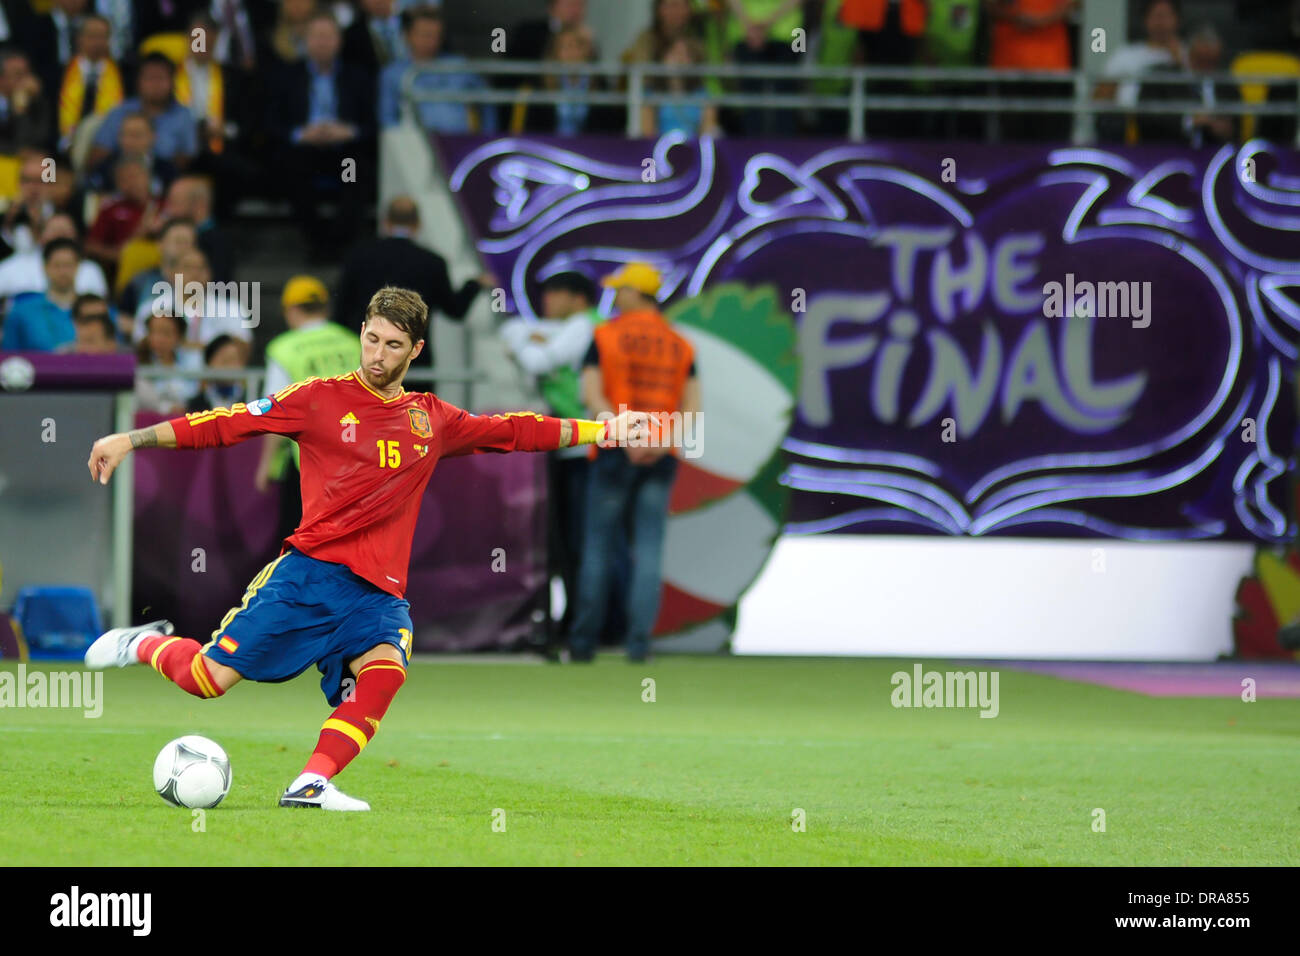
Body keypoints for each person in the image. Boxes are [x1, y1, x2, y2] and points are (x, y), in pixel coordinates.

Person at [84, 285, 653, 811]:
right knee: (206, 681)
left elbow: (514, 430)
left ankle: (311, 782)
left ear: (416, 350)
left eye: (394, 346)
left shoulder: (431, 419)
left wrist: (601, 431)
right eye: (372, 339)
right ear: (361, 332)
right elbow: (224, 425)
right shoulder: (318, 400)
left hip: (378, 596)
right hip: (308, 579)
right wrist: (130, 439)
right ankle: (145, 644)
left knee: (385, 672)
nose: (378, 354)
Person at [567, 263, 700, 663]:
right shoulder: (680, 344)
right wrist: (660, 442)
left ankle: (583, 645)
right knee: (650, 550)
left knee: (597, 548)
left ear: (633, 293)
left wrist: (625, 435)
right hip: (660, 455)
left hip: (613, 449)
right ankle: (638, 646)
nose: (614, 296)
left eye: (619, 289)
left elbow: (591, 394)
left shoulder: (605, 336)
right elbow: (693, 406)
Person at [500, 272, 602, 649]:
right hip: (589, 445)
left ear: (575, 298)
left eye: (551, 294)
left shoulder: (580, 327)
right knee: (589, 541)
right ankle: (586, 623)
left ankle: (581, 627)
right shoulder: (589, 326)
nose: (544, 302)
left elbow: (537, 361)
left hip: (581, 447)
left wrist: (524, 342)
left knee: (578, 542)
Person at [256, 275, 361, 556]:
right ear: (324, 308)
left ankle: (297, 599)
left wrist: (266, 465)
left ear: (291, 310)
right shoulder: (353, 342)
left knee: (300, 542)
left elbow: (276, 412)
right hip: (356, 461)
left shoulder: (284, 348)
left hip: (308, 464)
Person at [267, 11, 373, 258]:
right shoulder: (286, 76)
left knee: (356, 175)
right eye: (316, 36)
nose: (322, 43)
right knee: (292, 170)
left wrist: (349, 131)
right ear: (305, 41)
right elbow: (271, 122)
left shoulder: (357, 77)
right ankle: (315, 241)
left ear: (339, 41)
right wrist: (299, 134)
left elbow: (372, 123)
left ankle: (337, 242)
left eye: (328, 36)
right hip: (304, 151)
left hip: (344, 152)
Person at [335, 195, 493, 335]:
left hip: (368, 354)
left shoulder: (358, 257)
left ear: (386, 222)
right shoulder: (432, 262)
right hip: (414, 356)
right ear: (417, 224)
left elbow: (341, 309)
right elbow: (455, 310)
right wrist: (475, 284)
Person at [378, 5, 495, 134]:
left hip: (456, 143)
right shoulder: (393, 73)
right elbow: (388, 121)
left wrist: (485, 137)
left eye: (436, 35)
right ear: (407, 35)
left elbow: (486, 100)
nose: (432, 42)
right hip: (414, 146)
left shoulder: (458, 66)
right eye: (425, 35)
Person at [88, 52, 197, 173]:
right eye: (150, 78)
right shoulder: (119, 112)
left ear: (172, 82)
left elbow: (187, 161)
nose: (156, 84)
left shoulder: (183, 115)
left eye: (161, 78)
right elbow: (98, 155)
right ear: (138, 81)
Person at [0, 213, 107, 303]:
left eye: (66, 232)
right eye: (54, 231)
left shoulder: (91, 270)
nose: (60, 236)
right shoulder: (10, 267)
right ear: (40, 235)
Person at [0, 236, 81, 351]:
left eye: (68, 265)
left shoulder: (96, 308)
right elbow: (9, 360)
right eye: (57, 265)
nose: (63, 272)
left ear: (78, 266)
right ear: (45, 267)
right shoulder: (21, 311)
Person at [641, 34, 719, 137]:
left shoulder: (703, 95)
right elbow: (647, 135)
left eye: (685, 54)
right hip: (659, 149)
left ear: (694, 62)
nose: (679, 59)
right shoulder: (651, 94)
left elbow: (707, 134)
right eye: (674, 53)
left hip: (694, 150)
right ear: (663, 57)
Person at [132, 310, 200, 414]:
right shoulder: (139, 364)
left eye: (165, 333)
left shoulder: (192, 363)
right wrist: (167, 408)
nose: (158, 338)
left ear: (179, 337)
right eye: (153, 332)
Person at [0, 48, 54, 155]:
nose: (26, 80)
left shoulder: (37, 103)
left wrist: (21, 109)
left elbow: (36, 142)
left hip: (27, 164)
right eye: (19, 74)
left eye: (28, 74)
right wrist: (16, 151)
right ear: (1, 79)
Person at [186, 333, 248, 412]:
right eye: (225, 361)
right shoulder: (194, 405)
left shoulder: (250, 401)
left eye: (234, 360)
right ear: (209, 363)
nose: (230, 367)